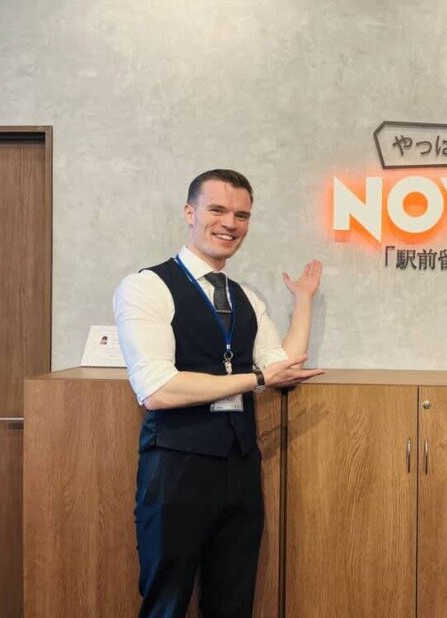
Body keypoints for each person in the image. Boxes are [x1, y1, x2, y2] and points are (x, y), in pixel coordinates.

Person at [113, 169, 324, 617]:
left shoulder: (246, 297)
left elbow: (280, 365)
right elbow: (157, 389)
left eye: (241, 215)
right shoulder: (146, 286)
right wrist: (257, 380)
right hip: (175, 467)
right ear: (190, 213)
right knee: (166, 602)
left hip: (240, 466)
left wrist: (304, 300)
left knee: (233, 602)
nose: (230, 223)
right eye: (217, 210)